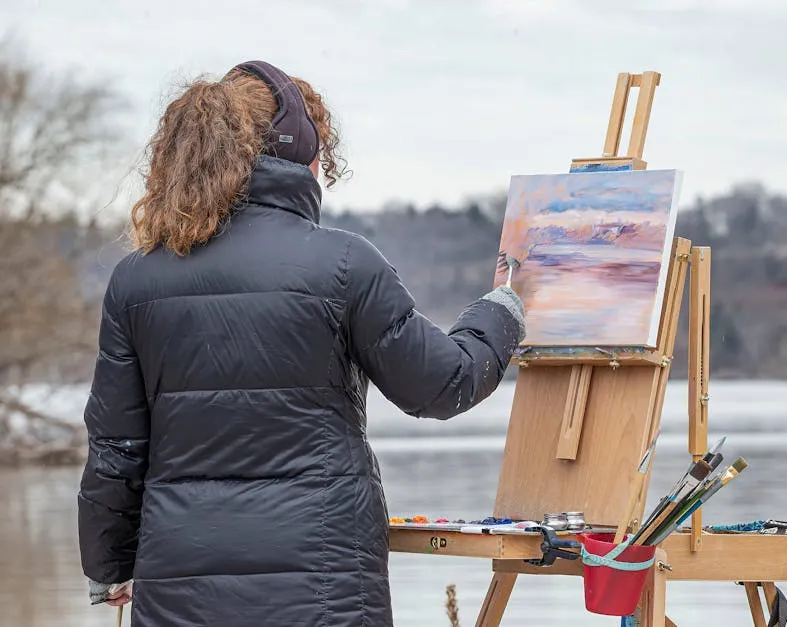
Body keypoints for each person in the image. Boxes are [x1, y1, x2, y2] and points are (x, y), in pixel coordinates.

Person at [77, 60, 525, 627]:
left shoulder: (136, 280)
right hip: (324, 593)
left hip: (179, 592)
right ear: (299, 154)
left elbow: (116, 448)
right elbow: (441, 385)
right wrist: (501, 311)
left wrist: (108, 564)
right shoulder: (341, 263)